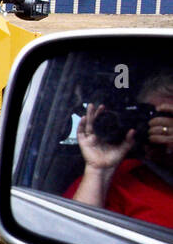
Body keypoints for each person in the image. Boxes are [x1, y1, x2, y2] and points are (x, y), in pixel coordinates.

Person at [68, 70, 173, 229]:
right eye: (149, 114)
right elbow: (74, 234)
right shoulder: (116, 180)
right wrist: (98, 170)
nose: (158, 123)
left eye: (168, 116)